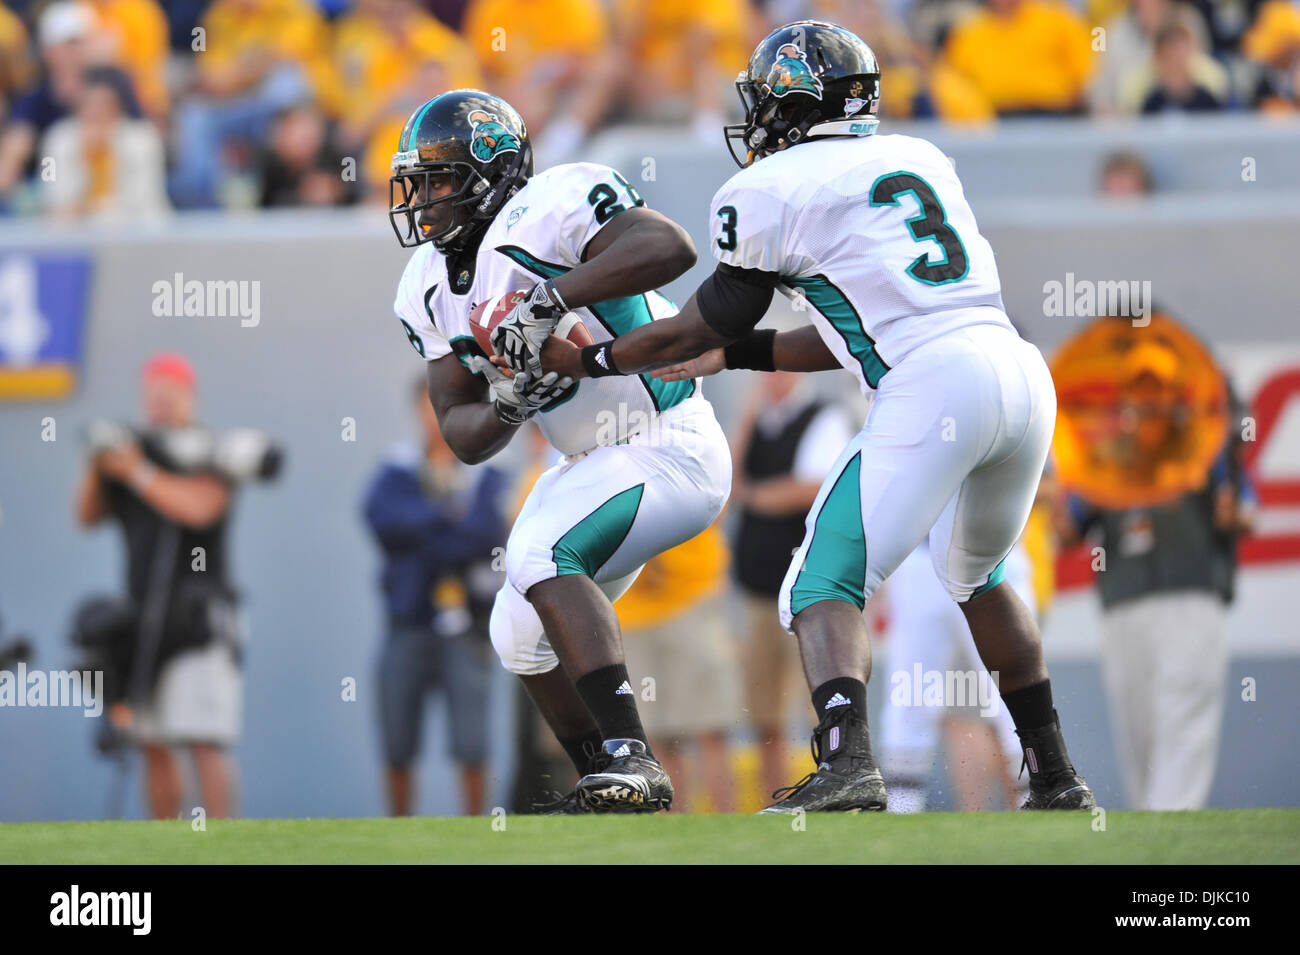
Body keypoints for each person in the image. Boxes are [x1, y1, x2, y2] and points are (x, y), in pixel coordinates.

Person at [532, 19, 1095, 813]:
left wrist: (592, 359)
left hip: (931, 384)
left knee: (817, 584)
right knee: (980, 576)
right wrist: (739, 356)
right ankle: (1056, 774)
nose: (756, 119)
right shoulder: (918, 157)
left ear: (794, 105)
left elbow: (703, 321)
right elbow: (852, 328)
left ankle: (847, 763)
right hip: (1015, 374)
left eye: (766, 101)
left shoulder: (771, 188)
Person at [387, 89, 731, 812]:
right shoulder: (427, 284)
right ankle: (609, 783)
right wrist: (509, 403)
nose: (424, 204)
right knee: (515, 632)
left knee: (539, 553)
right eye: (417, 185)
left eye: (440, 182)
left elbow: (669, 245)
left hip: (669, 442)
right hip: (587, 461)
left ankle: (632, 756)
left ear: (494, 174)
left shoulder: (550, 204)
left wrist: (549, 297)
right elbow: (458, 425)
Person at [1056, 345, 1254, 810]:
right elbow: (1070, 530)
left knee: (1182, 716)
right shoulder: (1106, 458)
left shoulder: (1204, 450)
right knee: (1137, 724)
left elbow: (1247, 513)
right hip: (1123, 602)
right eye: (1140, 388)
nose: (1148, 399)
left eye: (1157, 388)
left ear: (1174, 395)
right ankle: (1154, 830)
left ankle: (1173, 820)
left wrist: (1233, 513)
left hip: (1192, 597)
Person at [76, 353, 242, 819]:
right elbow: (86, 516)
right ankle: (165, 846)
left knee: (203, 735)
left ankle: (223, 843)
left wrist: (138, 472)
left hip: (200, 618)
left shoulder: (210, 451)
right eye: (152, 392)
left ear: (190, 396)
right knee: (152, 739)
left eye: (170, 392)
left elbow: (200, 508)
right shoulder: (133, 453)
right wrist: (98, 461)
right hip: (145, 617)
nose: (160, 402)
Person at [363, 376, 505, 816]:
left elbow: (486, 533)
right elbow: (384, 521)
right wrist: (448, 518)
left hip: (468, 627)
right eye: (429, 405)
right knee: (398, 743)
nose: (437, 415)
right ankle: (400, 834)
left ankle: (479, 834)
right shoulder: (396, 470)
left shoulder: (489, 473)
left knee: (472, 741)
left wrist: (430, 530)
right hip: (407, 623)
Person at [730, 368, 855, 799]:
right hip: (759, 591)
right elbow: (728, 487)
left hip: (807, 592)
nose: (772, 377)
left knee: (814, 701)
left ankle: (827, 792)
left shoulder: (823, 417)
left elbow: (814, 488)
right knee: (764, 709)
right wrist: (746, 418)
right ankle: (776, 797)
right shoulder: (762, 423)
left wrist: (756, 496)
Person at [616, 524, 739, 813]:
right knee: (651, 737)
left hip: (691, 595)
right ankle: (673, 838)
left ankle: (728, 835)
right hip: (628, 611)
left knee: (710, 729)